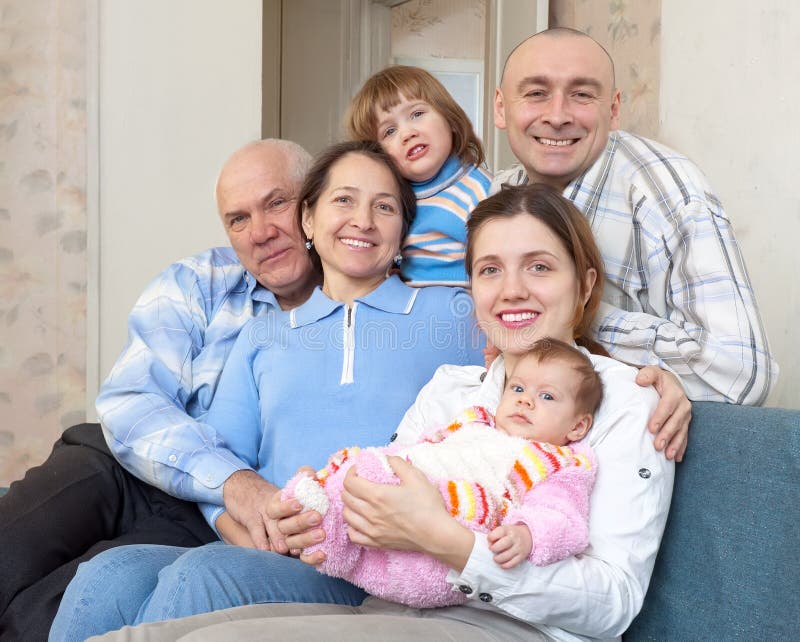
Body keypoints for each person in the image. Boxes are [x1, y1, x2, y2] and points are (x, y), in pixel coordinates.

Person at [81, 184, 675, 642]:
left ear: (586, 282)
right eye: (490, 269)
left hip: (503, 626)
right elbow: (376, 484)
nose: (512, 289)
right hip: (390, 603)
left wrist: (446, 541)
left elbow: (615, 600)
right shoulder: (453, 389)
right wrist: (318, 510)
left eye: (539, 267)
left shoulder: (628, 402)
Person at [49, 141, 486, 641]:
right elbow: (223, 465)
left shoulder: (455, 318)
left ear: (402, 231)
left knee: (204, 573)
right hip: (276, 550)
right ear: (308, 221)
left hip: (373, 563)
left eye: (384, 206)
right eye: (343, 200)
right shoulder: (264, 335)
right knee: (108, 574)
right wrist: (248, 532)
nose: (362, 220)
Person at [0, 139, 323, 642]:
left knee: (51, 614)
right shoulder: (201, 280)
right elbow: (132, 400)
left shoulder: (356, 316)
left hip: (206, 520)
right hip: (120, 465)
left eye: (276, 203)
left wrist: (237, 499)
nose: (261, 232)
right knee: (8, 547)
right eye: (238, 219)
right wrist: (234, 481)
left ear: (315, 202)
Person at [492, 27, 778, 426]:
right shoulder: (496, 195)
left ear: (612, 109)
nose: (557, 116)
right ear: (501, 108)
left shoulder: (668, 192)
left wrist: (575, 317)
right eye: (536, 93)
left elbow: (743, 373)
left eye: (582, 94)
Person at [283, 338, 602, 608]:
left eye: (546, 396)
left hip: (456, 525)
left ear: (577, 426)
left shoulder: (555, 463)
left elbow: (562, 517)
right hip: (409, 491)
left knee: (370, 478)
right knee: (357, 473)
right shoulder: (475, 422)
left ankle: (336, 521)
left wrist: (527, 534)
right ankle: (323, 524)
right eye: (517, 388)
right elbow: (424, 448)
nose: (525, 400)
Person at [347, 65, 492, 286]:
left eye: (417, 114)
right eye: (390, 131)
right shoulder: (389, 200)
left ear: (449, 119)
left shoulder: (482, 191)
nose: (407, 133)